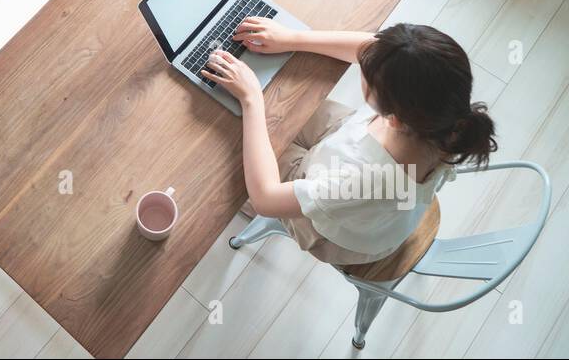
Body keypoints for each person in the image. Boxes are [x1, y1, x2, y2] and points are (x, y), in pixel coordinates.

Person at [201, 21, 497, 266]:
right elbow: (370, 47)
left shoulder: (362, 182)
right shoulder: (443, 115)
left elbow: (267, 199)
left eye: (366, 73)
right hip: (351, 153)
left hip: (337, 225)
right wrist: (292, 38)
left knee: (236, 133)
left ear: (392, 117)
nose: (363, 58)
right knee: (286, 101)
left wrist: (252, 100)